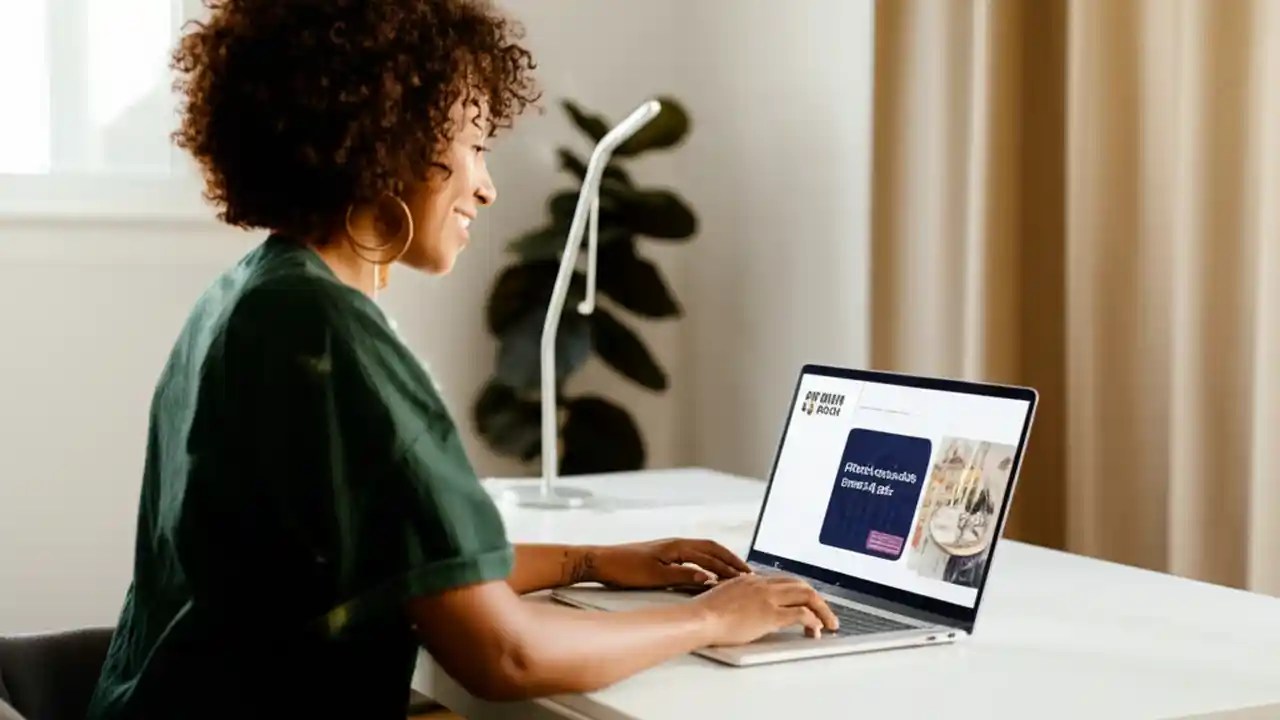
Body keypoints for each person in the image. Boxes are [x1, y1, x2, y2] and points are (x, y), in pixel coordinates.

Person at [85, 1, 837, 718]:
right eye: (474, 147)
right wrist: (711, 620)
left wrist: (591, 561)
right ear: (387, 145)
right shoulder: (327, 333)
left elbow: (406, 557)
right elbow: (505, 655)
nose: (487, 185)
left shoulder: (251, 295)